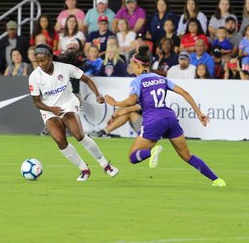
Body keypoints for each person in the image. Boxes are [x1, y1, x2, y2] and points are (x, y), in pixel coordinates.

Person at [104, 46, 225, 186]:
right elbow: (184, 92)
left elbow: (132, 100)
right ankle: (217, 180)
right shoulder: (161, 78)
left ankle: (151, 151)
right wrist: (199, 113)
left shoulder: (137, 81)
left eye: (132, 65)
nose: (131, 68)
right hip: (170, 118)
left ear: (138, 64)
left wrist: (115, 102)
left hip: (153, 121)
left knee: (132, 157)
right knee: (187, 156)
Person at [28, 44, 119, 181]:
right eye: (38, 61)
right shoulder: (34, 77)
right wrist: (52, 109)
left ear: (51, 57)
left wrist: (97, 95)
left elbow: (87, 79)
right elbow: (37, 102)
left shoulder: (64, 68)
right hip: (49, 109)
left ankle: (106, 165)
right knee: (60, 140)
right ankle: (84, 169)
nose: (40, 64)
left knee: (78, 135)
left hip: (67, 104)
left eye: (43, 60)